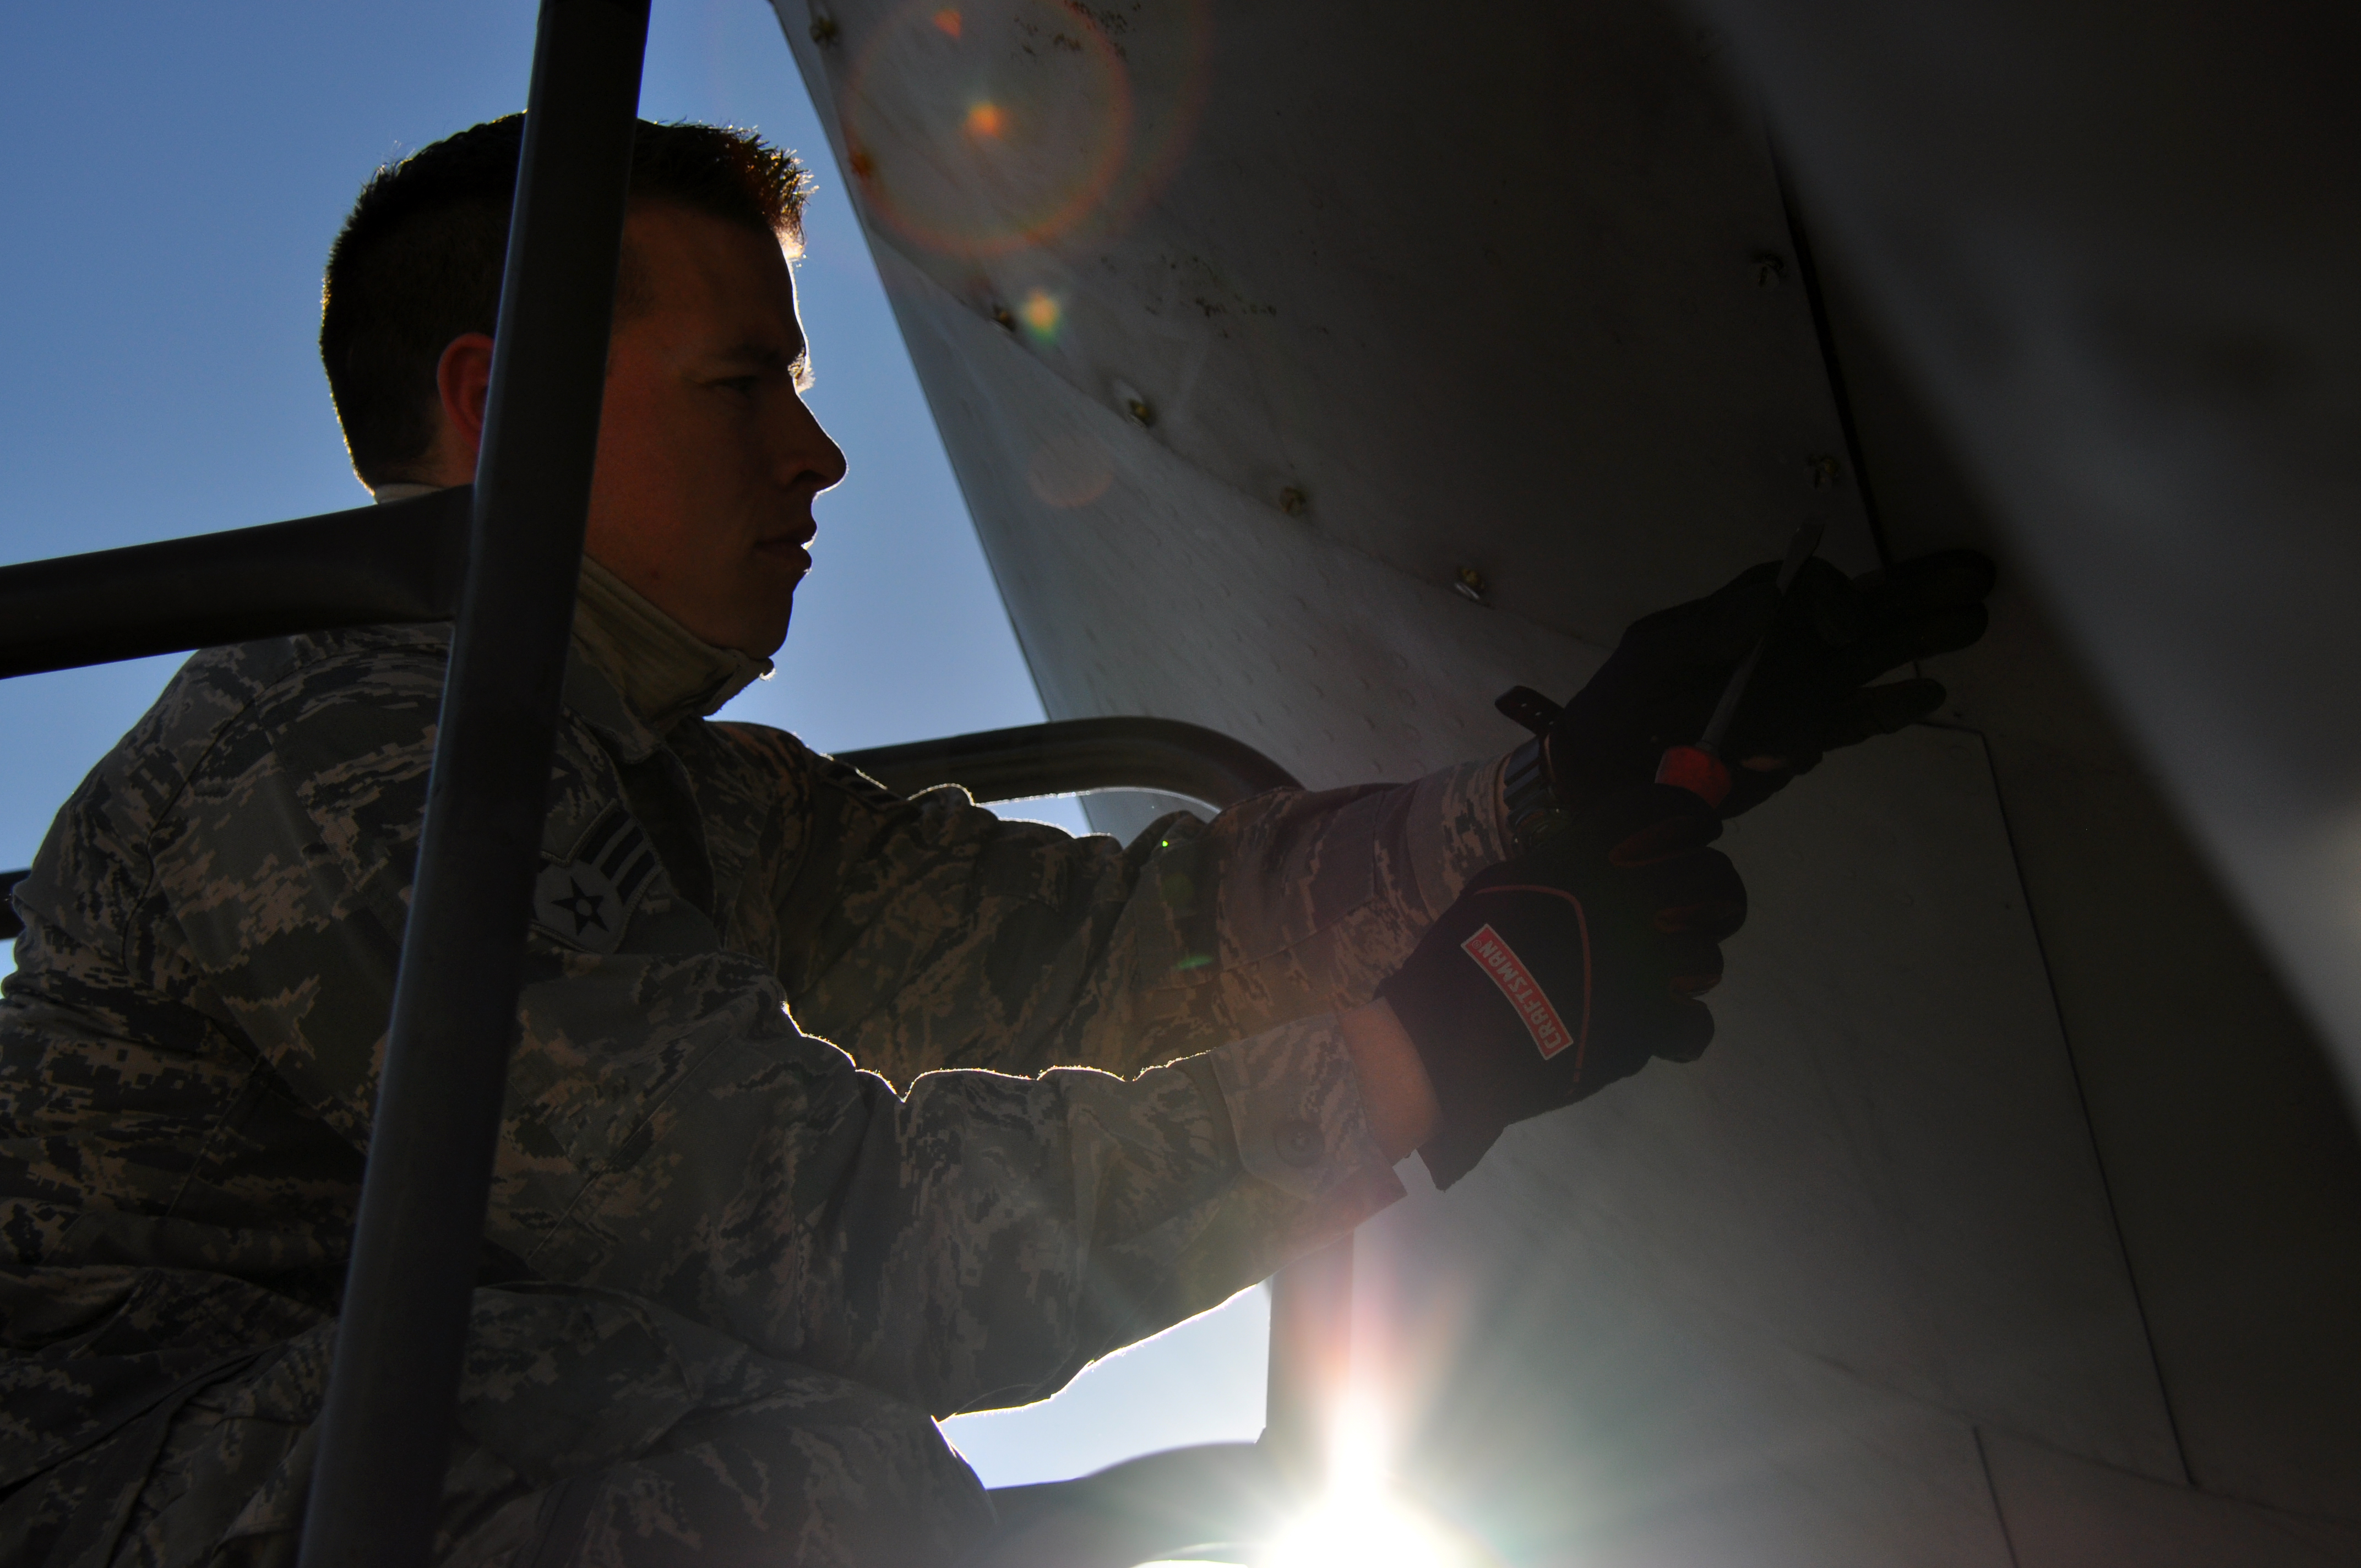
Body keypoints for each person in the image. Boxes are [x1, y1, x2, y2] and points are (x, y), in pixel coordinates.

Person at [0, 117, 1989, 1568]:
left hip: (389, 1451)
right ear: (501, 404)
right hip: (126, 1491)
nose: (818, 450)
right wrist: (1434, 1048)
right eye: (745, 381)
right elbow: (848, 1249)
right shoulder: (336, 756)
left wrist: (1544, 805)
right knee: (794, 1497)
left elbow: (1120, 943)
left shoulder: (661, 784)